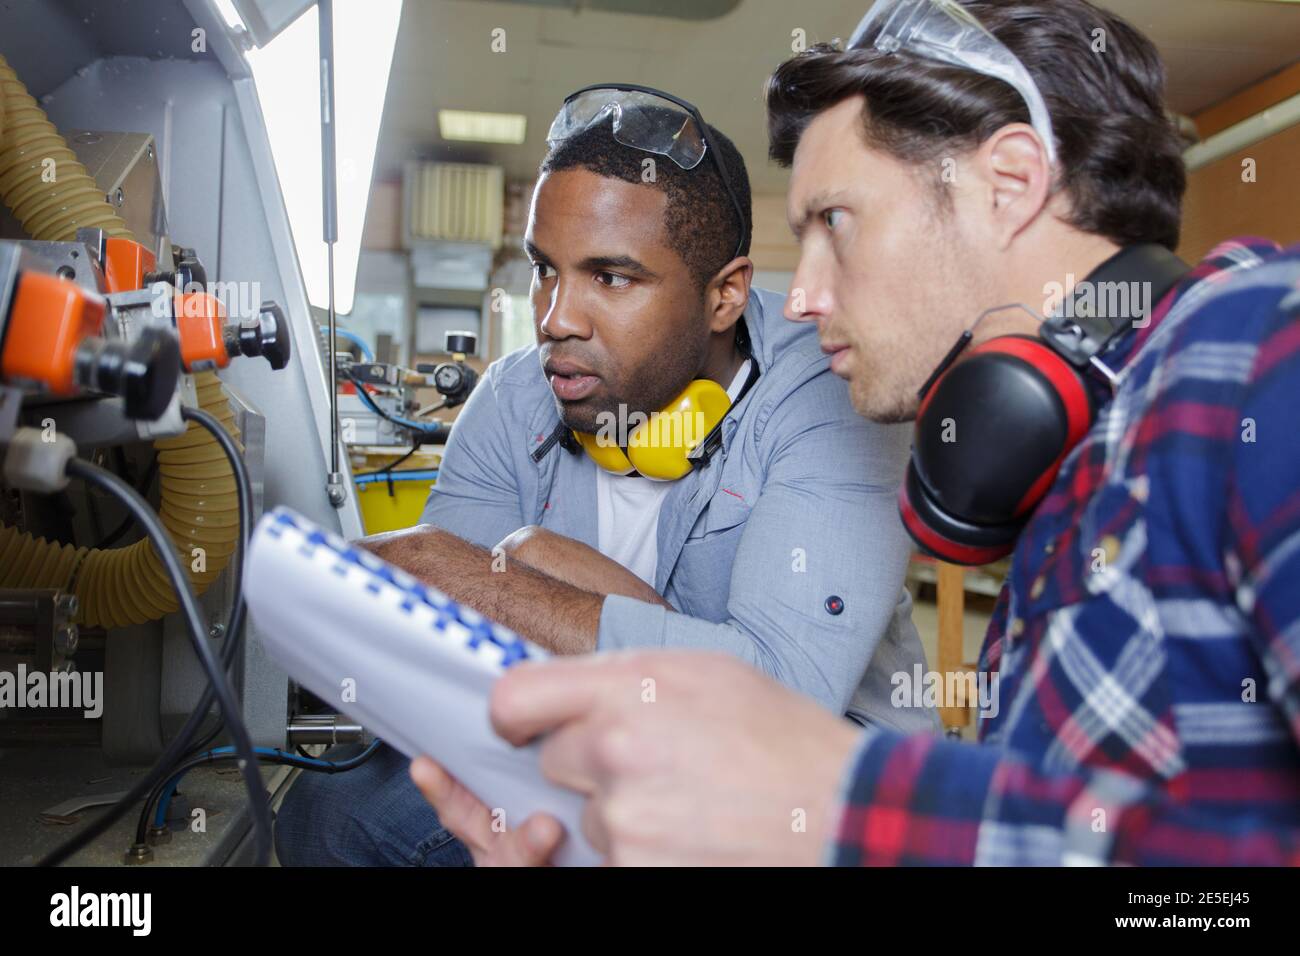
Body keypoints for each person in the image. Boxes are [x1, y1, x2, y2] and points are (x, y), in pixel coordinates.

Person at [411, 0, 1300, 866]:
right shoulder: (1077, 474)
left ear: (1011, 183)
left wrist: (840, 803)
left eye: (836, 221)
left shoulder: (1261, 351)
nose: (799, 297)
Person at [274, 85, 932, 866]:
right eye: (544, 270)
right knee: (330, 813)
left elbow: (780, 696)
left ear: (724, 295)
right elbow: (451, 652)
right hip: (583, 740)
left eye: (610, 278)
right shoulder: (520, 391)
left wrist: (511, 569)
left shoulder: (827, 392)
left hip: (805, 788)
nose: (555, 317)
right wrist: (571, 594)